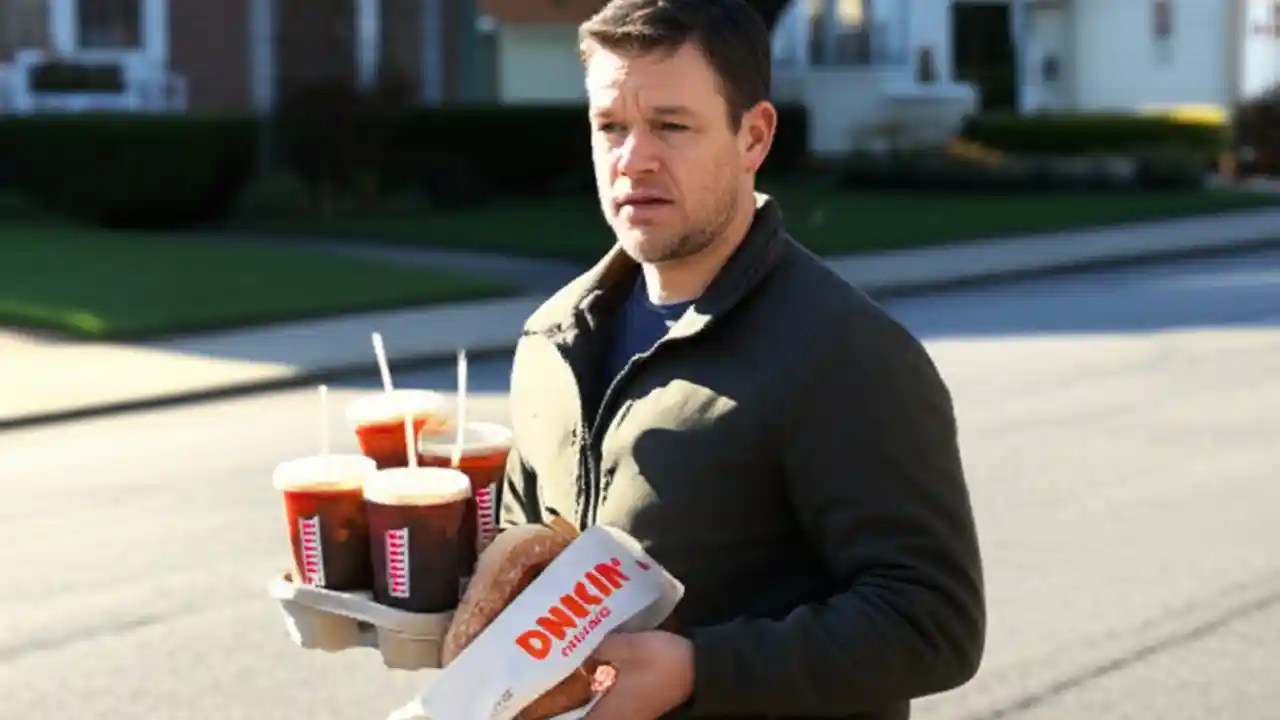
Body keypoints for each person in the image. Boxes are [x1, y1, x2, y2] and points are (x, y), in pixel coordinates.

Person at [497, 1, 986, 718]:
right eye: (611, 127)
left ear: (753, 135)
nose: (634, 158)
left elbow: (932, 621)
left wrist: (701, 669)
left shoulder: (843, 352)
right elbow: (520, 562)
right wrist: (398, 590)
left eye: (671, 125)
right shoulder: (553, 338)